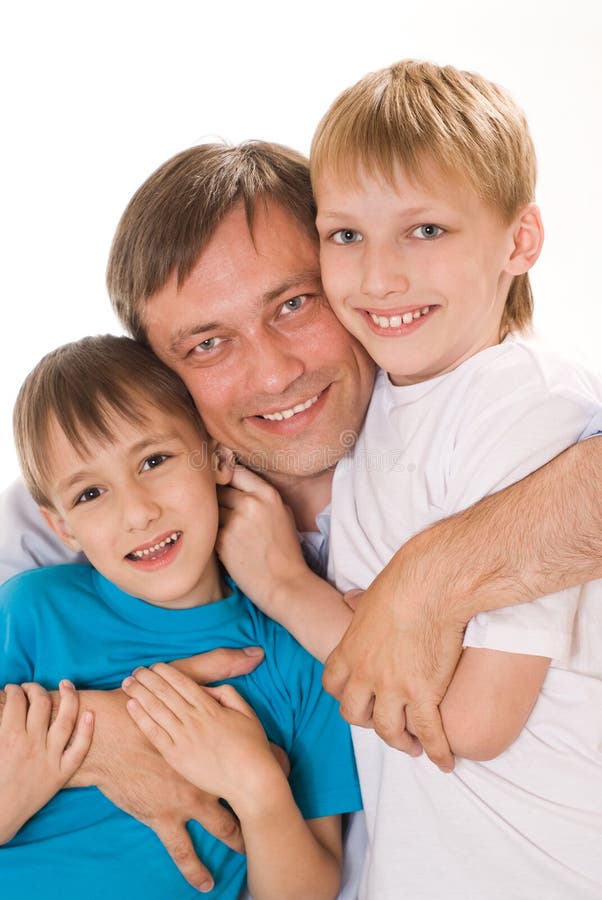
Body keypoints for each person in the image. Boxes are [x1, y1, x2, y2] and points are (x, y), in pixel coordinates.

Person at [1, 139, 601, 893]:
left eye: (294, 304)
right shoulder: (101, 509)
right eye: (208, 344)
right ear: (161, 376)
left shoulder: (451, 418)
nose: (275, 371)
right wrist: (100, 730)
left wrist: (431, 578)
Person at [225, 60, 602, 897]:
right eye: (345, 234)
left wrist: (287, 587)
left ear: (520, 240)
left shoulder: (525, 407)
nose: (377, 276)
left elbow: (468, 718)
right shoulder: (387, 396)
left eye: (425, 230)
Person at [0, 334, 361, 900]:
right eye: (91, 493)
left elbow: (306, 889)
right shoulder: (32, 613)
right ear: (62, 527)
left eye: (154, 461)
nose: (138, 512)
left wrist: (258, 786)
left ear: (216, 459)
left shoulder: (296, 656)